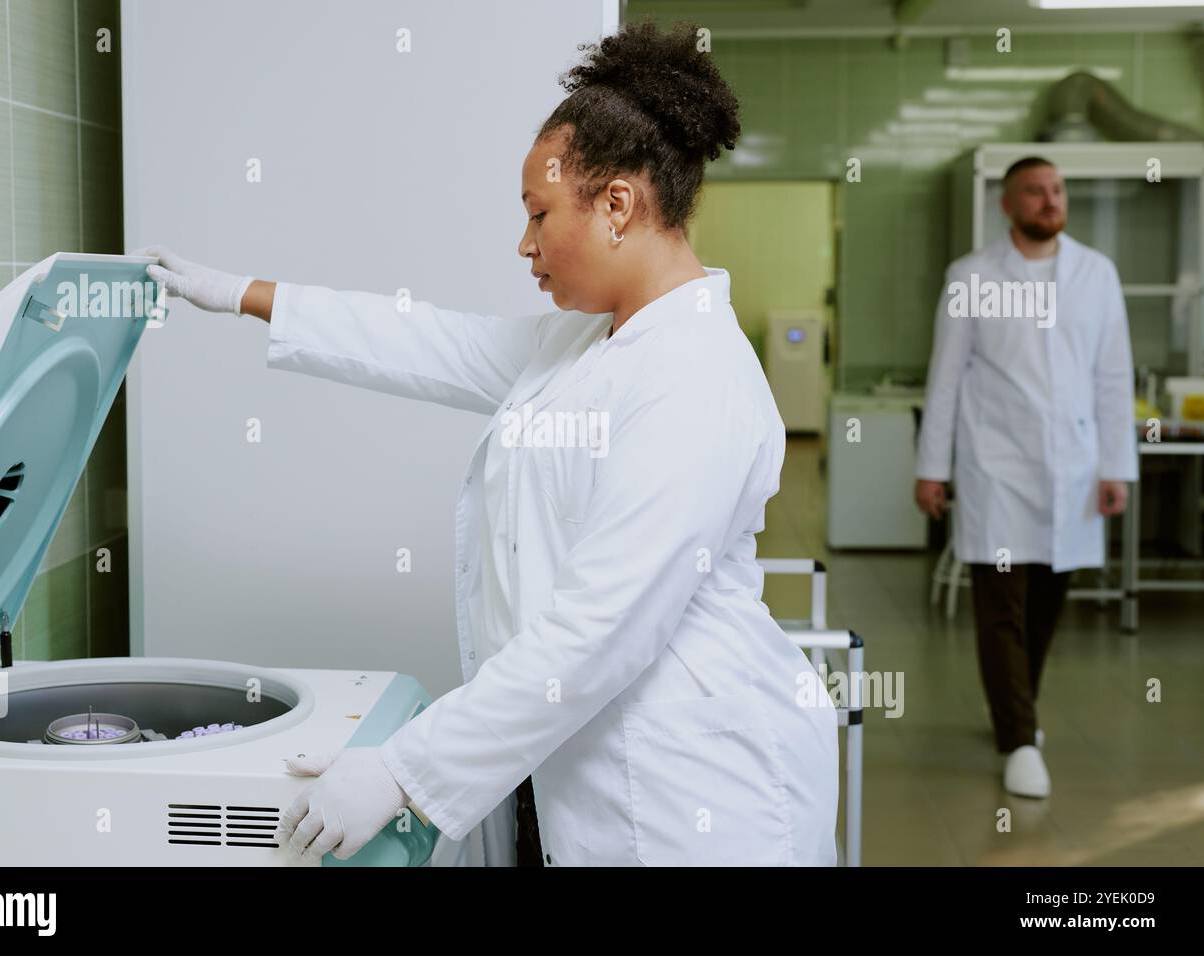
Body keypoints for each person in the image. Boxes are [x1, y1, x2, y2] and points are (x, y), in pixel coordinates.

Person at [137, 20, 838, 866]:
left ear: (617, 205)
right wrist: (243, 293)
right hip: (572, 774)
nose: (525, 245)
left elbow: (595, 634)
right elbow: (425, 341)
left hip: (687, 798)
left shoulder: (696, 381)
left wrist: (401, 769)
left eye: (539, 214)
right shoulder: (588, 344)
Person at [915, 156, 1136, 799]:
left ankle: (1018, 712)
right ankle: (1018, 738)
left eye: (1058, 189)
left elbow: (1113, 376)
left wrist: (1118, 465)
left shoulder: (1096, 274)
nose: (1050, 200)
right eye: (1035, 191)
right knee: (1002, 608)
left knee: (1045, 605)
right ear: (1007, 205)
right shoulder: (973, 276)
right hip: (996, 468)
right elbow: (947, 377)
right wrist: (933, 469)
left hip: (1073, 466)